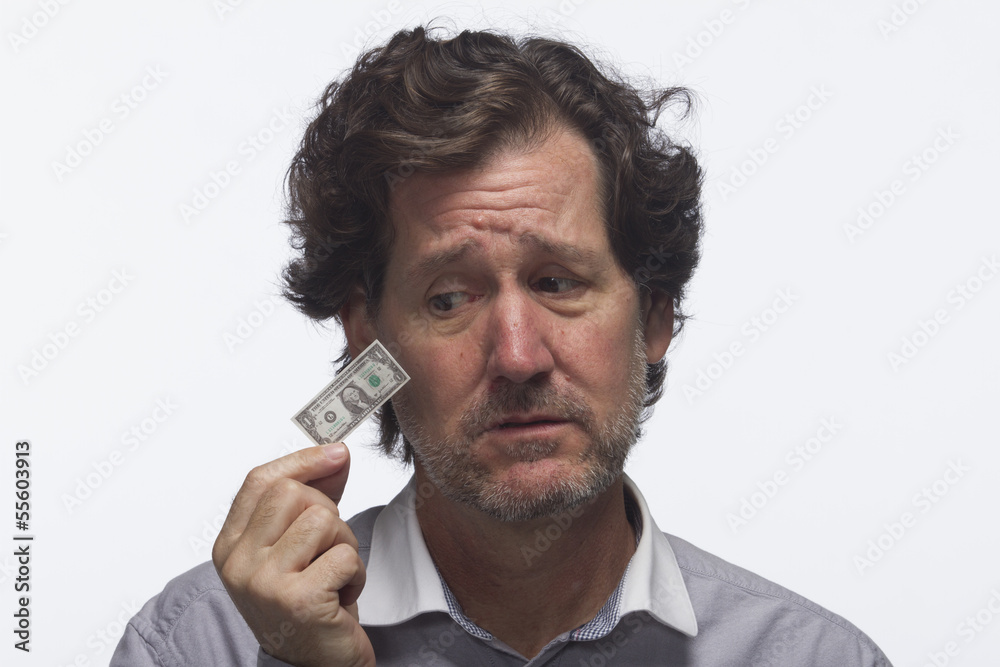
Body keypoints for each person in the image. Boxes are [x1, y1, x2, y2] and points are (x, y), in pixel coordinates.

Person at [113, 26, 893, 666]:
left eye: (558, 282)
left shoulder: (812, 657)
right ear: (367, 340)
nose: (518, 356)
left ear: (653, 317)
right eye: (449, 297)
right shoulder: (199, 646)